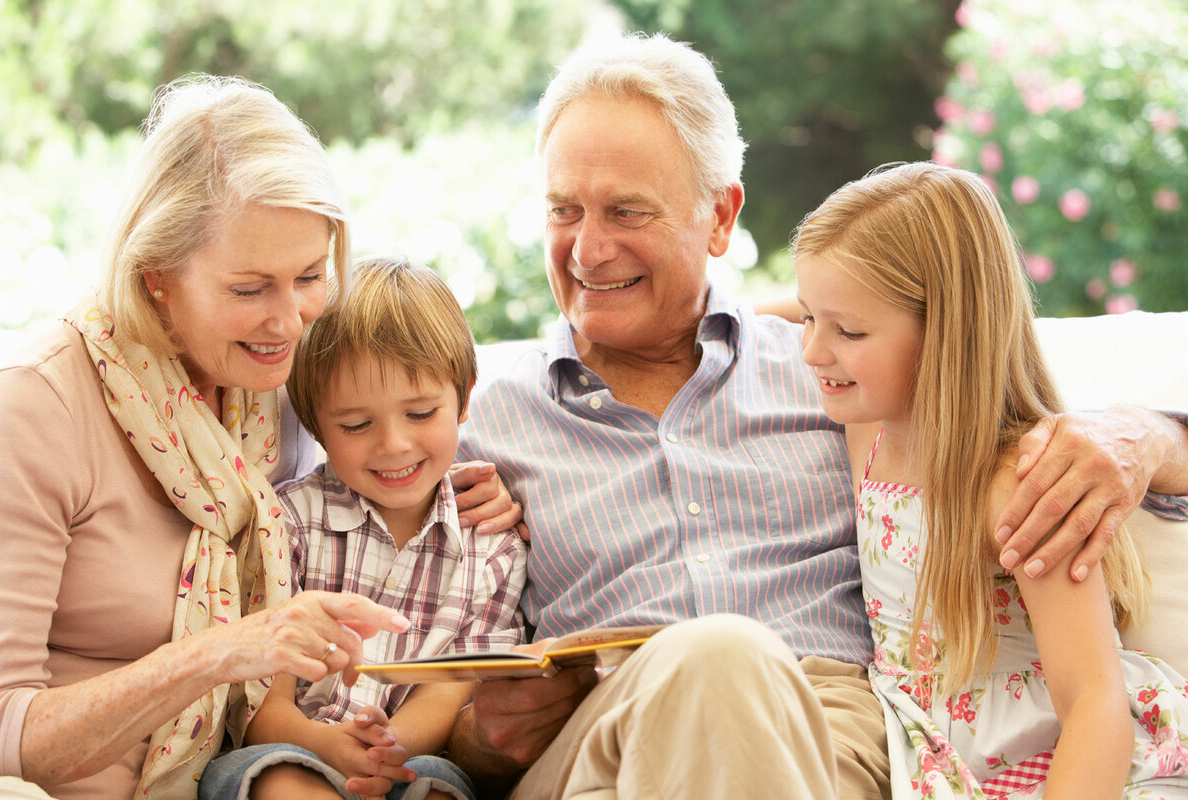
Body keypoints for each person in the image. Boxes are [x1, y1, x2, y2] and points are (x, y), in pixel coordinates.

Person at [448, 33, 1188, 799]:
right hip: (599, 740)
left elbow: (969, 353)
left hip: (825, 730)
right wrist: (479, 740)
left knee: (726, 663)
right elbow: (407, 687)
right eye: (563, 210)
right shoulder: (476, 424)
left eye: (627, 211)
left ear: (720, 217)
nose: (588, 249)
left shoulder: (839, 378)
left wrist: (1152, 434)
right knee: (714, 657)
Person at [0, 76, 516, 800]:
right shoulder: (35, 406)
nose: (290, 320)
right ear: (155, 278)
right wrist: (221, 653)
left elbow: (402, 419)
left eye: (308, 276)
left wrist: (480, 489)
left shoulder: (278, 390)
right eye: (248, 289)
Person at [794, 160, 1188, 798]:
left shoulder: (1017, 486)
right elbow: (824, 299)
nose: (812, 349)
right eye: (811, 318)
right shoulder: (869, 425)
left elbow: (1093, 701)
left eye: (848, 331)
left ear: (946, 333)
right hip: (936, 749)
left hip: (1062, 758)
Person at [198, 257, 528, 800]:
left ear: (465, 398)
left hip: (412, 759)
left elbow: (449, 695)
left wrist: (385, 746)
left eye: (421, 414)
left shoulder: (493, 550)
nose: (393, 444)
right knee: (278, 779)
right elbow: (262, 702)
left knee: (440, 788)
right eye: (355, 425)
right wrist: (327, 745)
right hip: (292, 745)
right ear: (314, 422)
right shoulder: (288, 524)